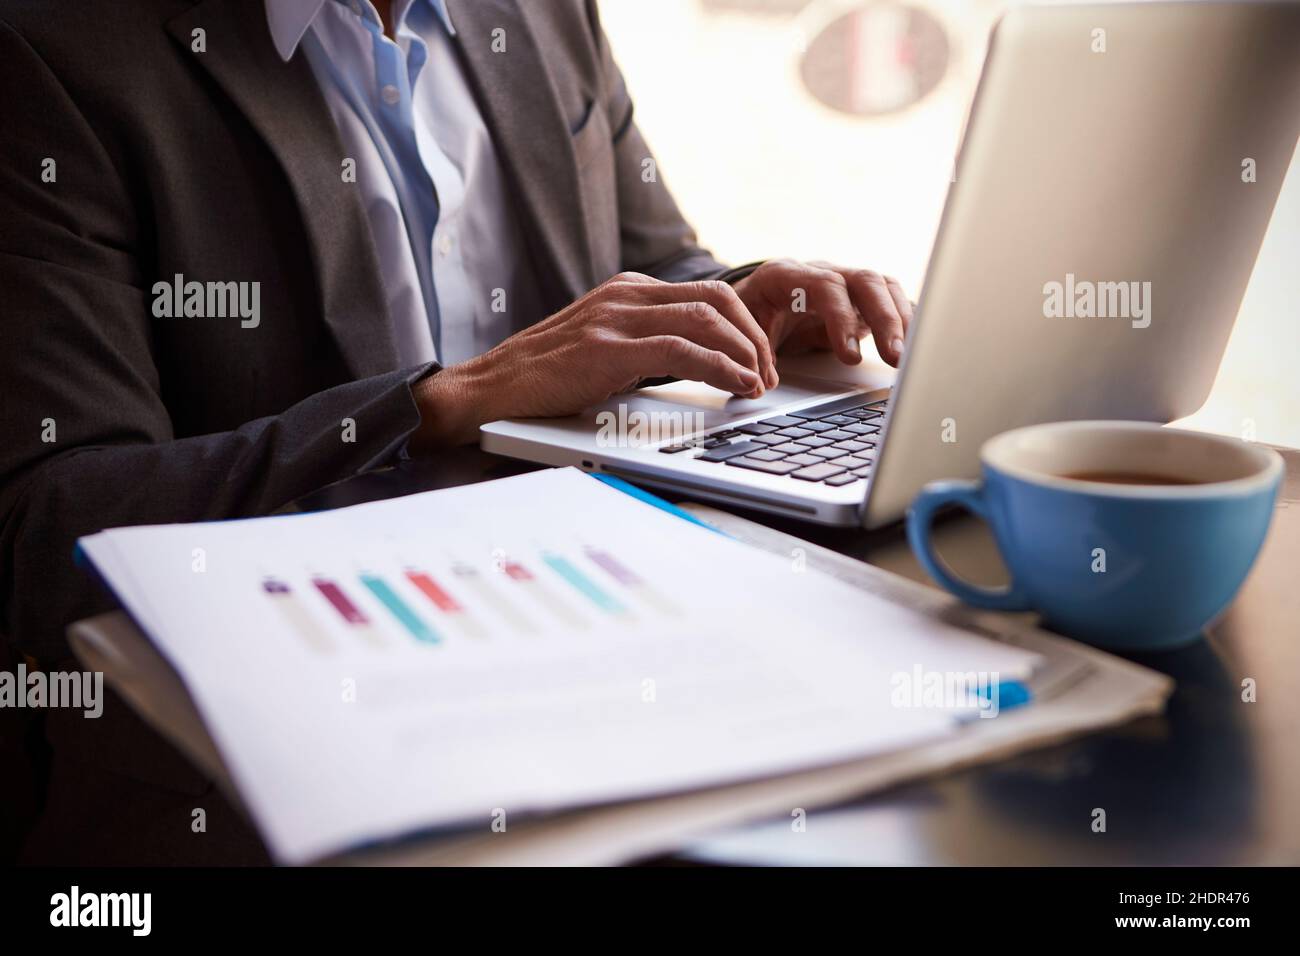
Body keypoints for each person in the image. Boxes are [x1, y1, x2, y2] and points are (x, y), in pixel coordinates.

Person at [0, 0, 911, 862]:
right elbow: (48, 523)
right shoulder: (55, 56)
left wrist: (748, 302)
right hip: (283, 750)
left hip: (606, 635)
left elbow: (648, 271)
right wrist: (440, 404)